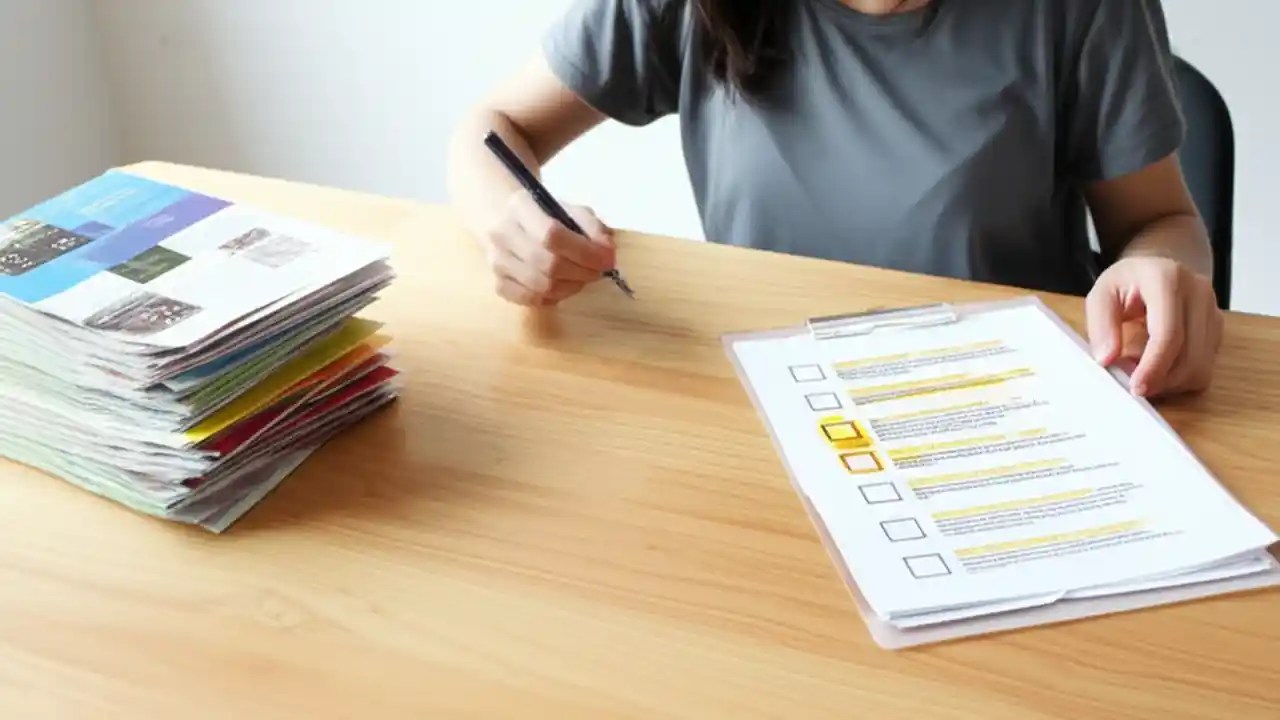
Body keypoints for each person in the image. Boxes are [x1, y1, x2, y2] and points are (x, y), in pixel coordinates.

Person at [446, 0, 1222, 399]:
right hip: (764, 402)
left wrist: (1162, 274)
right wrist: (506, 225)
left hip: (1005, 411)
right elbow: (492, 129)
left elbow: (1162, 222)